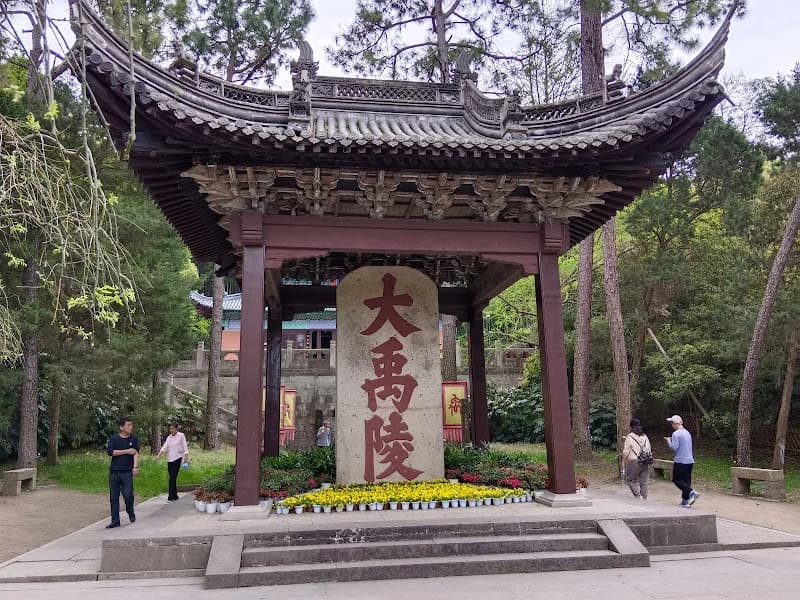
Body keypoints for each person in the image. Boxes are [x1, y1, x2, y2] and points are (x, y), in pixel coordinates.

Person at [106, 416, 139, 528]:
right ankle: (115, 521)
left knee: (128, 495)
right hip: (114, 472)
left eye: (131, 425)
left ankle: (130, 510)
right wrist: (126, 451)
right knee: (114, 497)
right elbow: (111, 452)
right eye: (128, 425)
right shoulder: (114, 439)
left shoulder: (133, 439)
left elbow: (135, 452)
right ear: (121, 427)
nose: (130, 427)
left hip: (127, 472)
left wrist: (135, 467)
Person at [665, 415, 699, 507]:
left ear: (676, 423)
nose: (671, 425)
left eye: (672, 423)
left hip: (680, 461)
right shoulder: (687, 432)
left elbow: (674, 447)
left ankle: (692, 492)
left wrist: (668, 441)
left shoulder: (676, 434)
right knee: (686, 481)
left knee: (677, 480)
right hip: (690, 460)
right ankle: (685, 501)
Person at [156, 422, 189, 502]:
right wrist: (159, 455)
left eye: (172, 428)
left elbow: (185, 447)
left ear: (176, 429)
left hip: (177, 458)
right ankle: (175, 496)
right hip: (170, 460)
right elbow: (165, 447)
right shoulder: (169, 437)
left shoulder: (181, 436)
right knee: (172, 478)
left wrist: (186, 458)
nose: (171, 430)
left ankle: (170, 497)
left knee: (172, 478)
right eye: (170, 428)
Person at [622, 418, 651, 500]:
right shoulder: (645, 437)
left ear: (631, 426)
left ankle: (638, 496)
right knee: (643, 481)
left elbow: (625, 452)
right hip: (645, 460)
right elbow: (649, 448)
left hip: (633, 461)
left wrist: (623, 462)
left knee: (630, 480)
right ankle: (644, 497)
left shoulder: (629, 437)